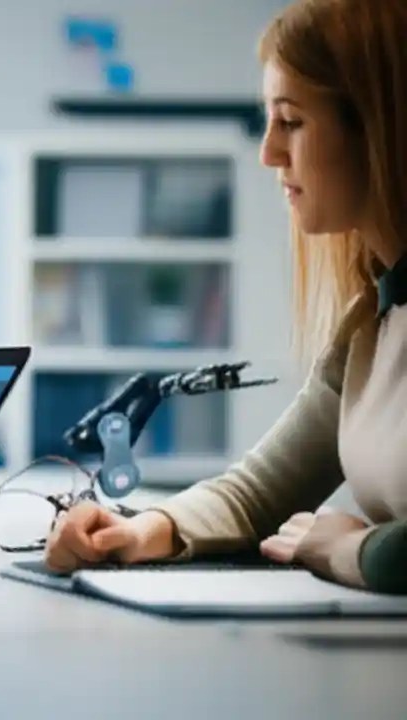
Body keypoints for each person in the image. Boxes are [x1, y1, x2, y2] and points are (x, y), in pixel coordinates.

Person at [44, 0, 407, 594]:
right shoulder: (370, 320)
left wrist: (349, 547)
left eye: (291, 121)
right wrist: (141, 531)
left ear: (379, 128)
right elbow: (258, 492)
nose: (267, 153)